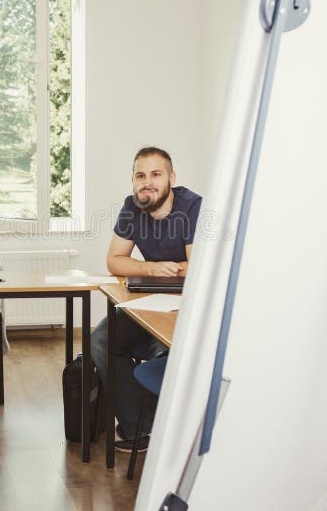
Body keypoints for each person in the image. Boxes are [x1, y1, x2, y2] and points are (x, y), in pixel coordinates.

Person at [90, 146, 202, 453]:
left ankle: (169, 432)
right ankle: (138, 426)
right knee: (100, 341)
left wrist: (174, 270)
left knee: (161, 349)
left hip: (186, 307)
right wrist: (152, 268)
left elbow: (197, 269)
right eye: (141, 175)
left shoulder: (192, 206)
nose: (147, 182)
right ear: (133, 180)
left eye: (156, 174)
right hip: (148, 302)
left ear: (171, 178)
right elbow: (114, 261)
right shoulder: (131, 207)